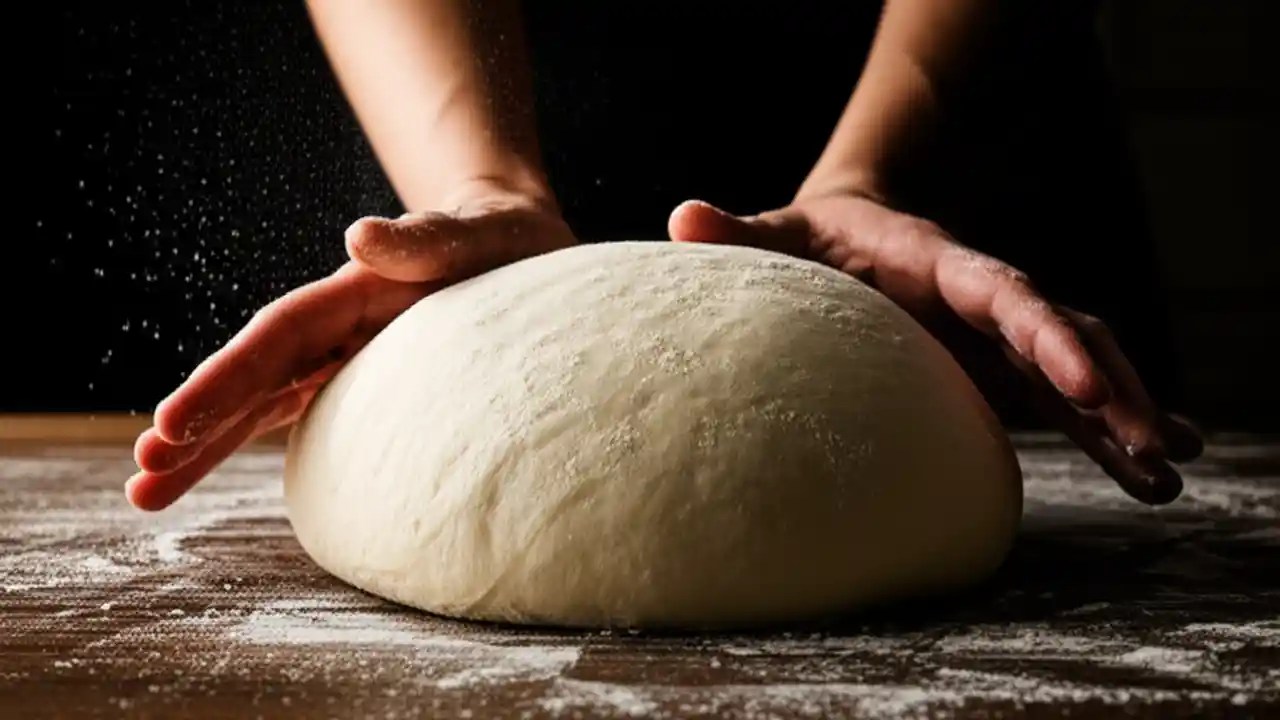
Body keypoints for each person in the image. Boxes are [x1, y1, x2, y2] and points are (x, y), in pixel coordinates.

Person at [126, 0, 1202, 511]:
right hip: (497, 82)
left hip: (943, 119)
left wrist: (870, 175)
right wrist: (478, 182)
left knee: (969, 471)